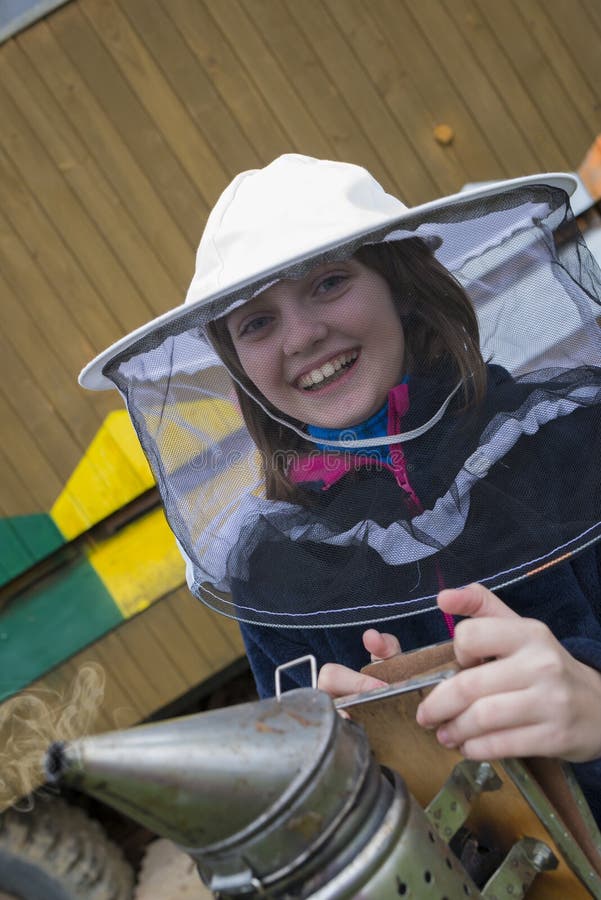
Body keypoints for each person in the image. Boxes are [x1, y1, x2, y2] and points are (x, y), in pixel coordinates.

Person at [79, 155, 601, 822]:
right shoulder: (275, 570)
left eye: (328, 283)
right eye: (256, 323)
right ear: (238, 365)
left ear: (399, 284)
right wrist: (359, 777)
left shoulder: (572, 440)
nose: (301, 335)